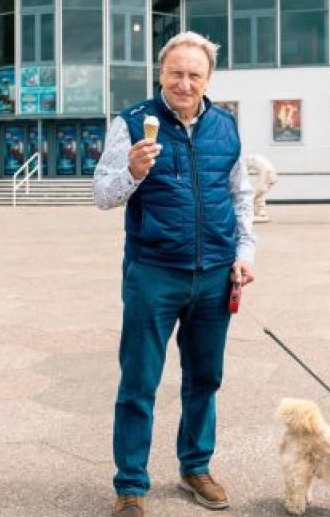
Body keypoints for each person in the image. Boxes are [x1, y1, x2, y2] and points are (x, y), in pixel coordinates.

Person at [93, 31, 256, 517]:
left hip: (214, 274)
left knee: (205, 377)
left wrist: (245, 251)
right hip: (153, 273)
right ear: (160, 74)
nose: (184, 83)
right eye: (175, 73)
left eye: (194, 75)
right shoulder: (129, 124)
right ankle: (130, 485)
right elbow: (102, 194)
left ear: (208, 79)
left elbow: (240, 196)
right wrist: (132, 172)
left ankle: (196, 466)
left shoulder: (226, 126)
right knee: (139, 381)